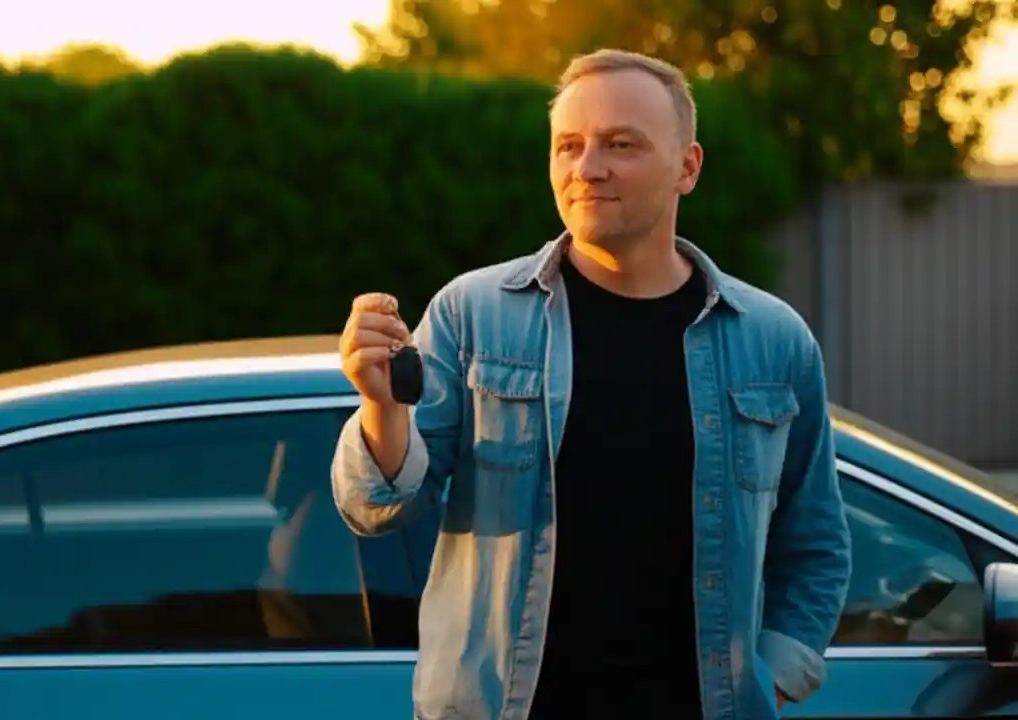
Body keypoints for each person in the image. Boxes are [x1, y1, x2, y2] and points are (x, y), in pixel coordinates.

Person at [330, 48, 852, 720]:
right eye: (568, 145)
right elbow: (377, 507)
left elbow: (815, 543)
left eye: (621, 144)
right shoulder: (473, 315)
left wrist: (769, 677)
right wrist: (380, 405)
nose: (587, 168)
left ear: (687, 167)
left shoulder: (773, 340)